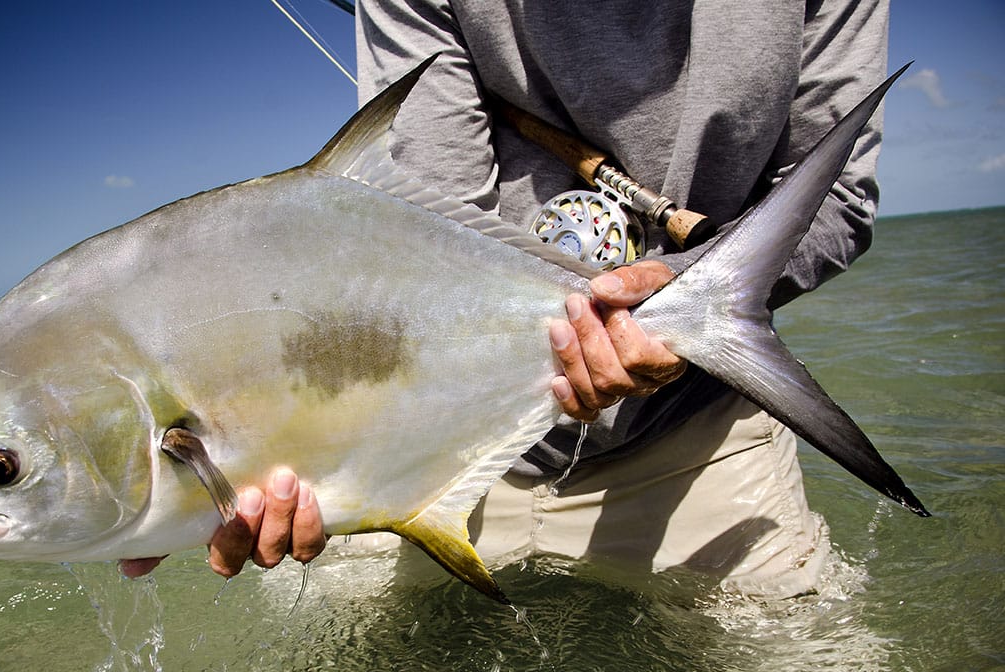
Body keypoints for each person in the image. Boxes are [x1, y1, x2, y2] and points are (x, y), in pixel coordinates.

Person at [205, 0, 889, 600]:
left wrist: (682, 298)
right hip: (439, 458)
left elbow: (835, 198)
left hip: (696, 438)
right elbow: (428, 234)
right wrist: (270, 459)